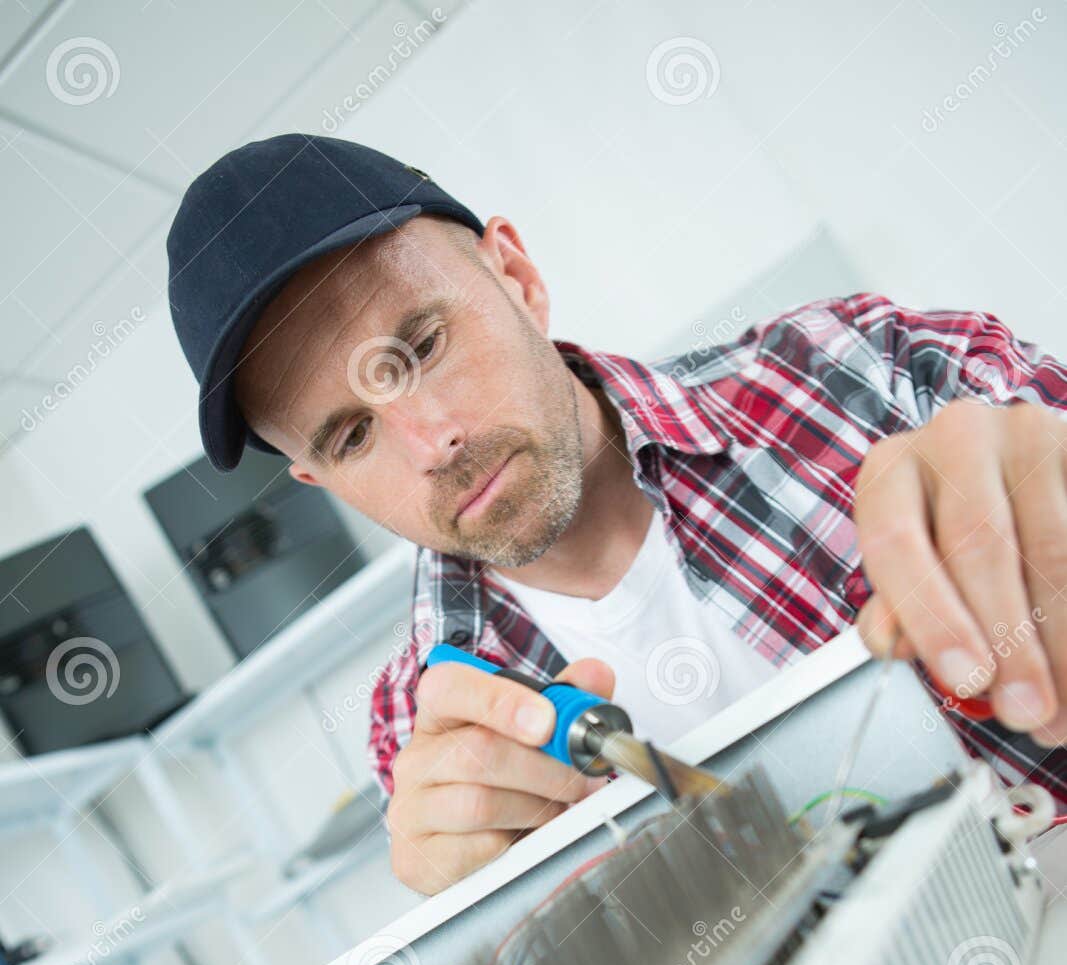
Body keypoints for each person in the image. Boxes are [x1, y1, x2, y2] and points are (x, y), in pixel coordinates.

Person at [167, 135, 1067, 895]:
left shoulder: (868, 372)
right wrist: (493, 938)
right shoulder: (426, 727)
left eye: (423, 347)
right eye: (354, 435)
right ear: (320, 482)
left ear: (514, 276)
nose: (429, 441)